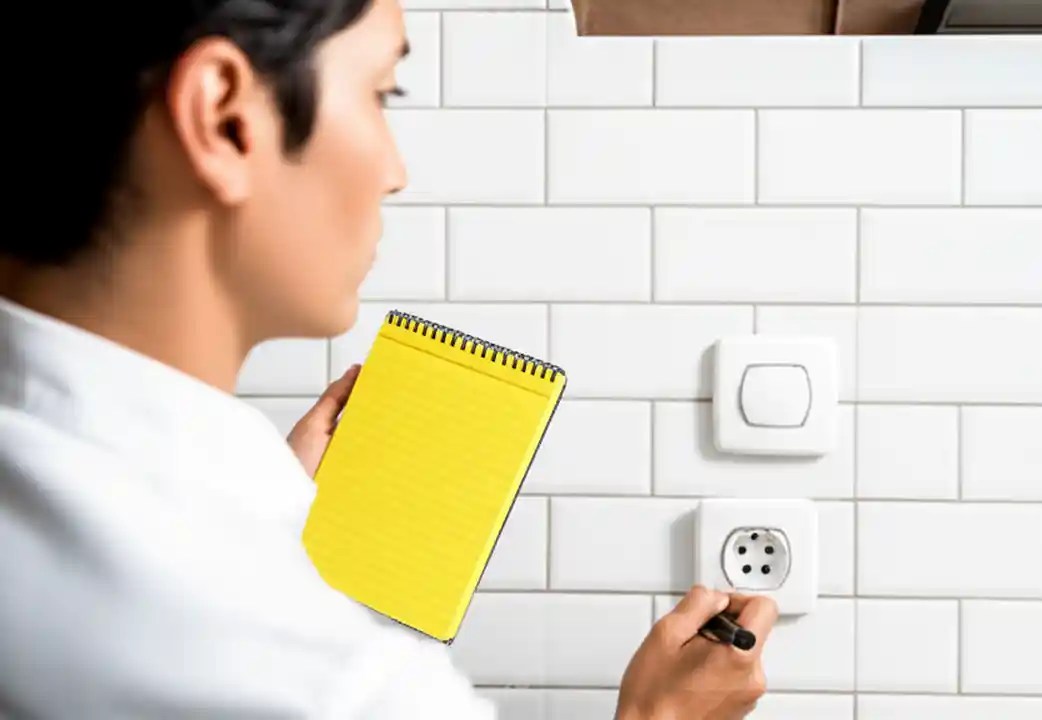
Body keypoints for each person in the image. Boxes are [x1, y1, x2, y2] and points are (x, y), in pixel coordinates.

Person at [0, 0, 778, 718]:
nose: (396, 170)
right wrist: (658, 717)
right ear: (225, 118)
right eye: (381, 93)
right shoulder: (323, 685)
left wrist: (271, 503)